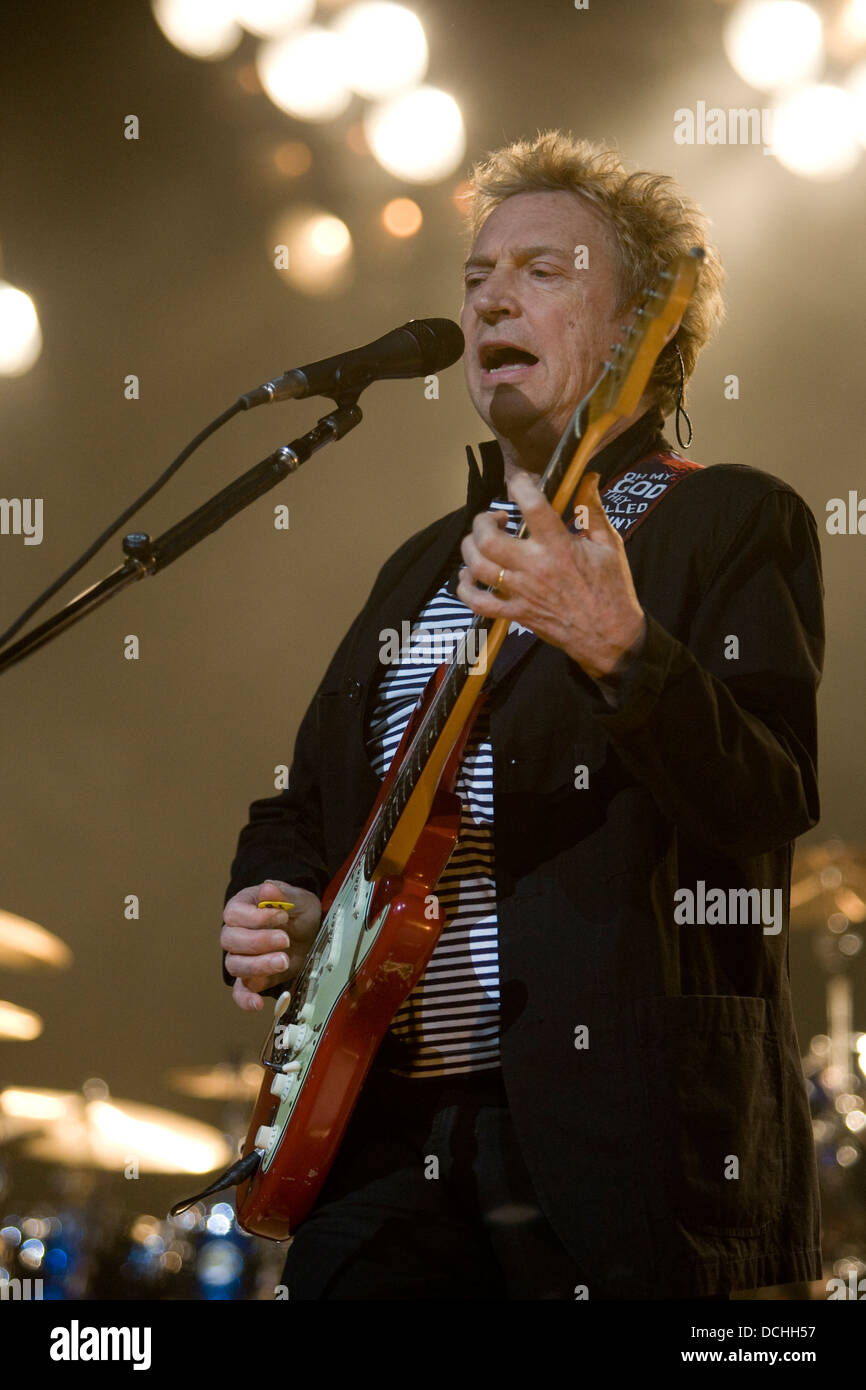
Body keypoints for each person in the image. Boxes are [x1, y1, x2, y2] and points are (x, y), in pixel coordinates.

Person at [220, 131, 824, 1300]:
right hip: (385, 1138)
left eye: (542, 271)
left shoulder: (727, 522)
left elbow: (766, 795)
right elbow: (301, 805)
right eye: (476, 276)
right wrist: (271, 899)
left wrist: (621, 649)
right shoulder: (418, 570)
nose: (490, 298)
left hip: (616, 1141)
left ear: (642, 326)